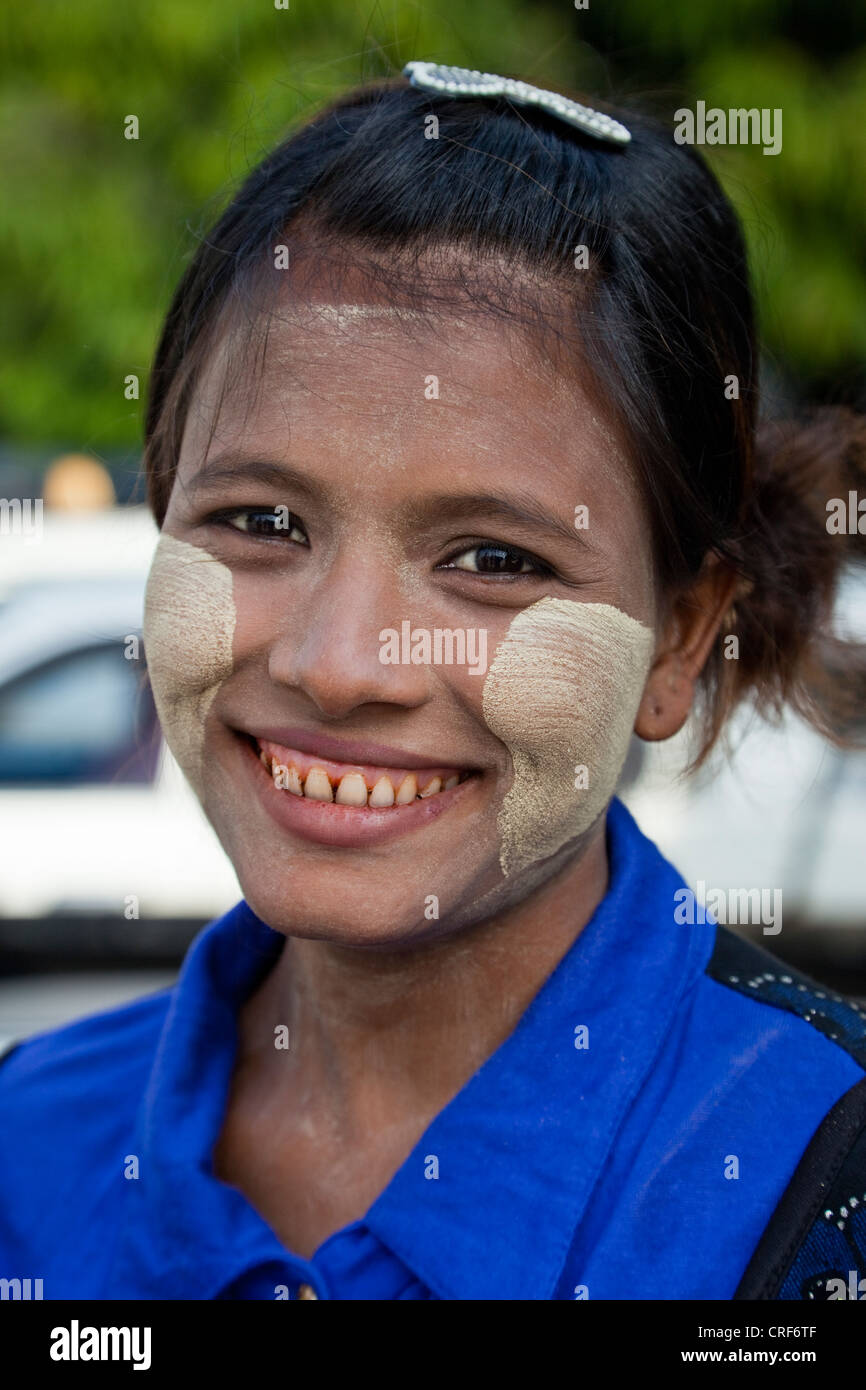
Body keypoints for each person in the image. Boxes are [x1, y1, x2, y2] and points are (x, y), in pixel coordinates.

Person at [2, 63, 865, 1302]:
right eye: (258, 520)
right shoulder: (26, 1142)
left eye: (493, 561)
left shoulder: (807, 1188)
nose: (339, 663)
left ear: (678, 641)